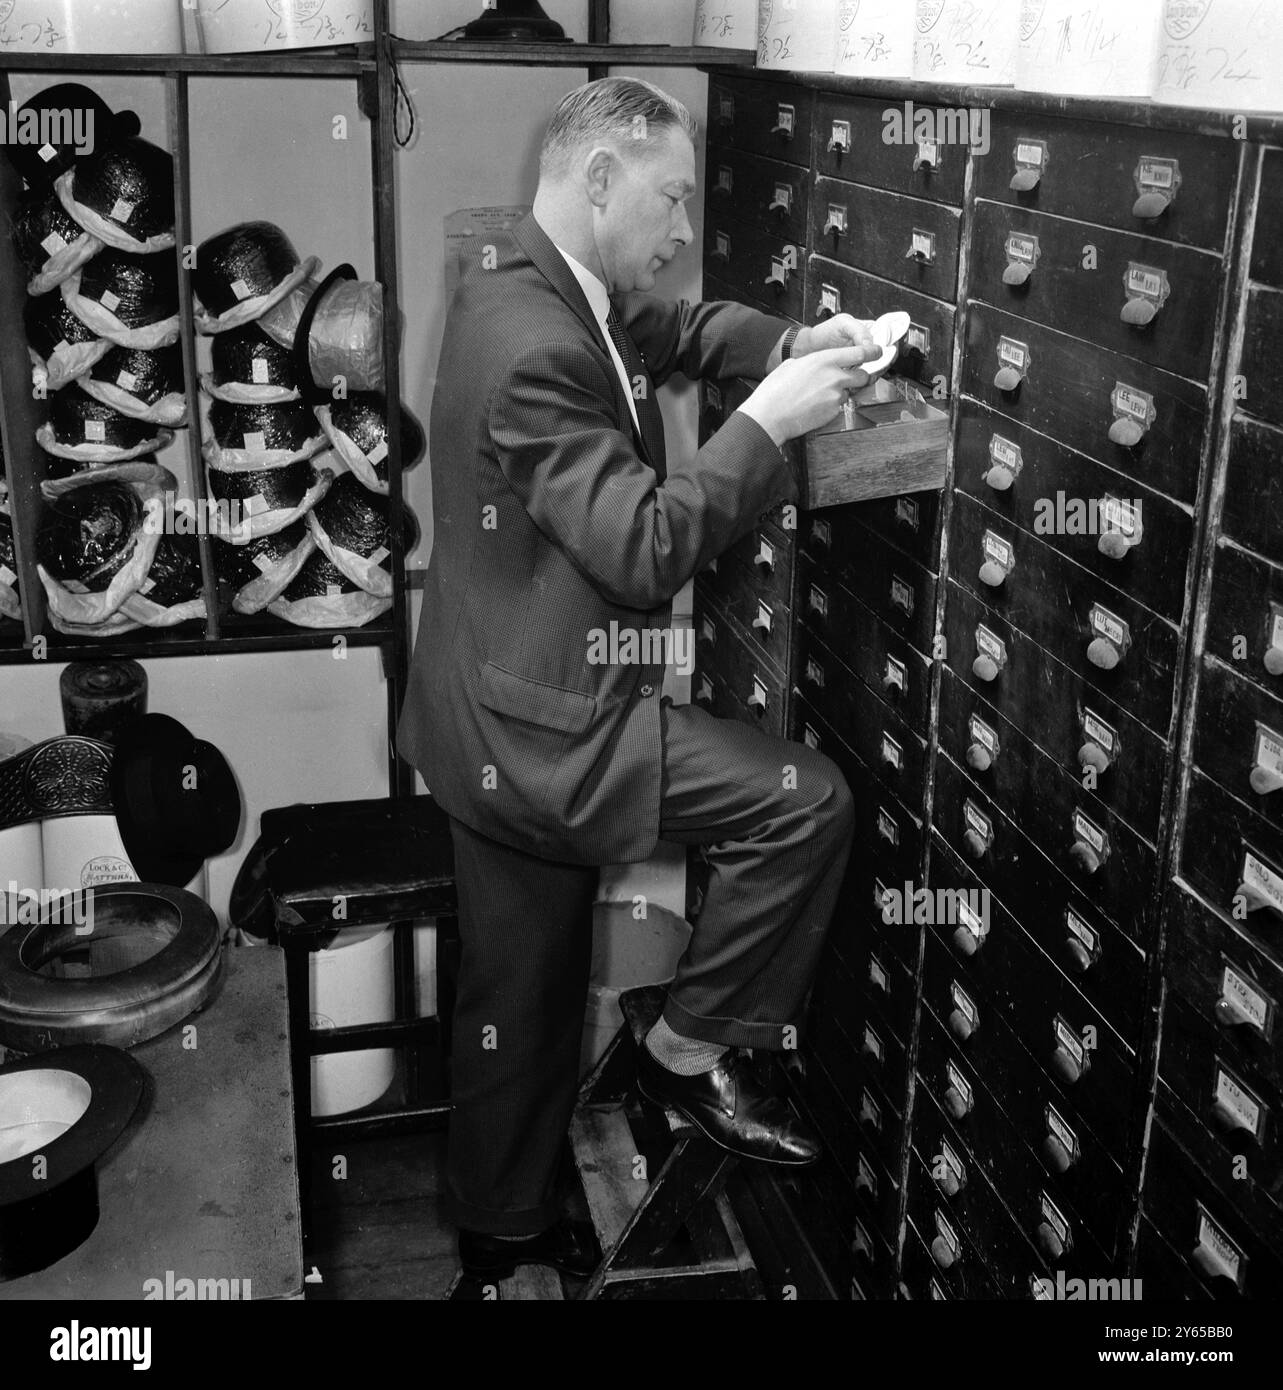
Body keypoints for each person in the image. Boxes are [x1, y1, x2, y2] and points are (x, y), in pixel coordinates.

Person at [398, 77, 884, 1283]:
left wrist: (785, 346)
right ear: (600, 177)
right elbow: (643, 545)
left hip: (483, 705)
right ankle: (686, 1047)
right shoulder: (533, 348)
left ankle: (499, 1234)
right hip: (546, 732)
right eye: (670, 197)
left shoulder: (530, 285)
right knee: (803, 801)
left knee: (520, 990)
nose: (680, 230)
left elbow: (665, 335)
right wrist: (765, 425)